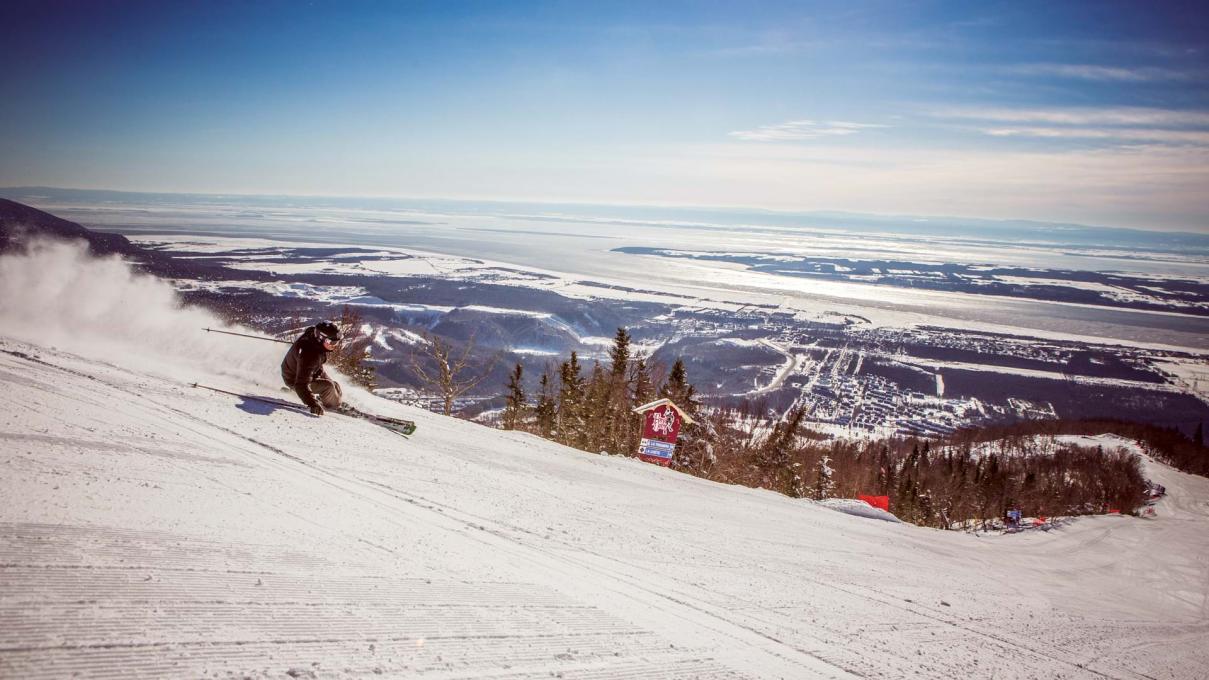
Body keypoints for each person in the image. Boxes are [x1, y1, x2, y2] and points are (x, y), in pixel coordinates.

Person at [281, 321, 344, 415]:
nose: (335, 345)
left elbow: (314, 328)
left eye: (337, 342)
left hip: (301, 371)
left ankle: (333, 399)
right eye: (332, 342)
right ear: (321, 338)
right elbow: (301, 385)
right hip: (294, 379)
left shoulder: (313, 334)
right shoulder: (310, 355)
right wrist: (313, 404)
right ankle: (334, 406)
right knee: (329, 386)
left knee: (335, 385)